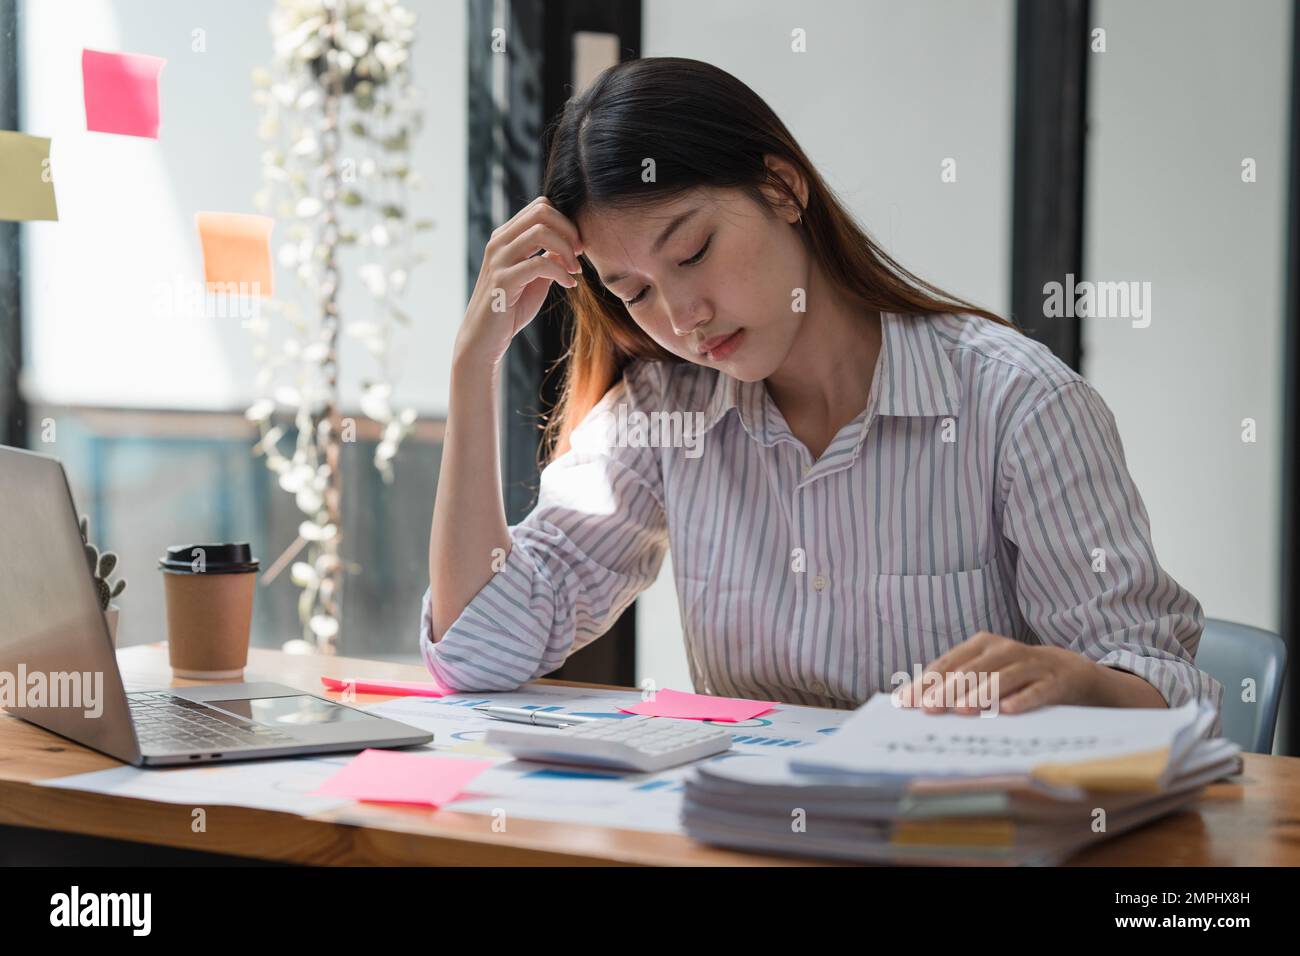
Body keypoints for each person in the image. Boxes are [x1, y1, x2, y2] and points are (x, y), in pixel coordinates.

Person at [422, 56, 1222, 729]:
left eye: (693, 251)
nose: (681, 317)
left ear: (781, 189)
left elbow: (1174, 696)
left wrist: (1077, 683)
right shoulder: (667, 413)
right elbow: (482, 648)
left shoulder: (1017, 405)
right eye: (633, 292)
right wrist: (472, 367)